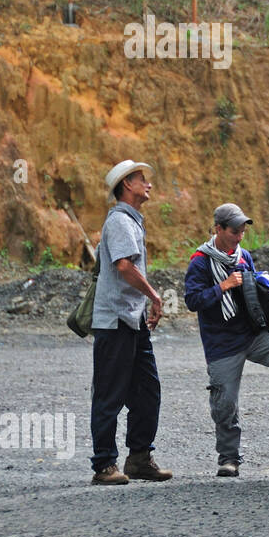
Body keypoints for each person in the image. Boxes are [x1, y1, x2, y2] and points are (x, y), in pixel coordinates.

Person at [184, 203, 269, 477]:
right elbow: (192, 301)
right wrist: (223, 286)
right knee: (225, 404)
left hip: (251, 335)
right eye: (234, 231)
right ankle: (228, 460)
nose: (240, 236)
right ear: (218, 229)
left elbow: (253, 292)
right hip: (221, 344)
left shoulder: (243, 257)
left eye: (243, 230)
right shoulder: (200, 261)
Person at [89, 160, 171, 485]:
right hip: (115, 320)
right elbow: (123, 265)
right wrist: (154, 295)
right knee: (110, 393)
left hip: (131, 321)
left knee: (147, 389)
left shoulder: (132, 221)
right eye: (142, 179)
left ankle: (138, 457)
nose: (148, 184)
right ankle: (104, 465)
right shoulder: (120, 221)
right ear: (127, 185)